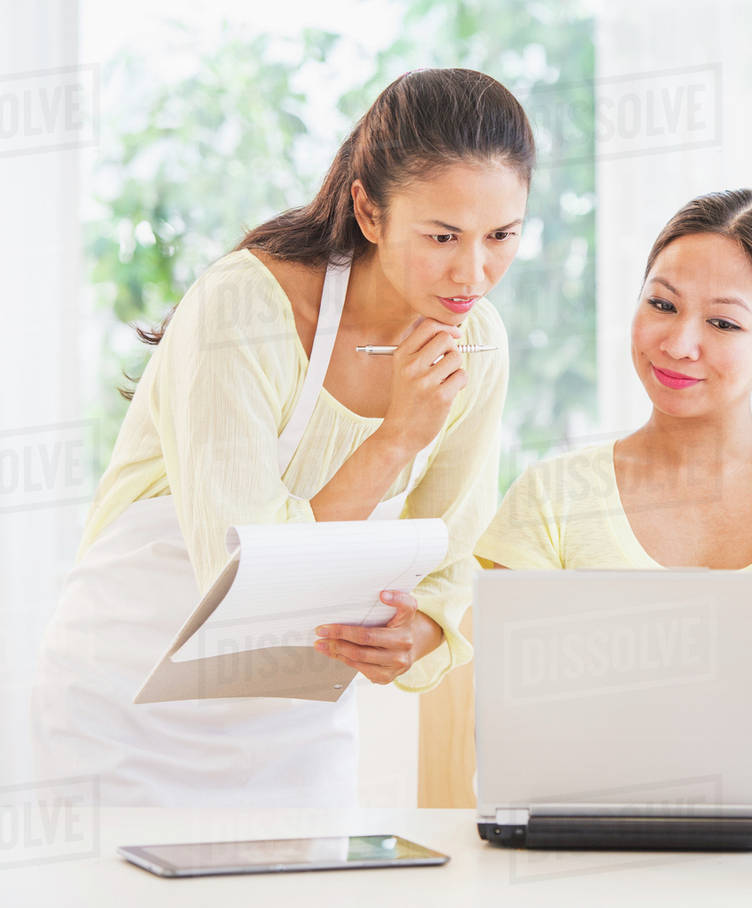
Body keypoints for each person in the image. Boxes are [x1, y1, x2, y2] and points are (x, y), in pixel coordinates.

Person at [32, 68, 533, 806]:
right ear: (368, 210)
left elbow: (456, 548)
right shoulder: (244, 307)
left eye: (502, 236)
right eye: (442, 236)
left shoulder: (478, 343)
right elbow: (243, 575)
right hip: (122, 704)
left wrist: (419, 633)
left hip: (293, 726)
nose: (473, 272)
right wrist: (395, 438)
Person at [474, 189, 752, 797]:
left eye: (723, 323)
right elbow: (512, 724)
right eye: (661, 304)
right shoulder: (552, 498)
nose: (678, 344)